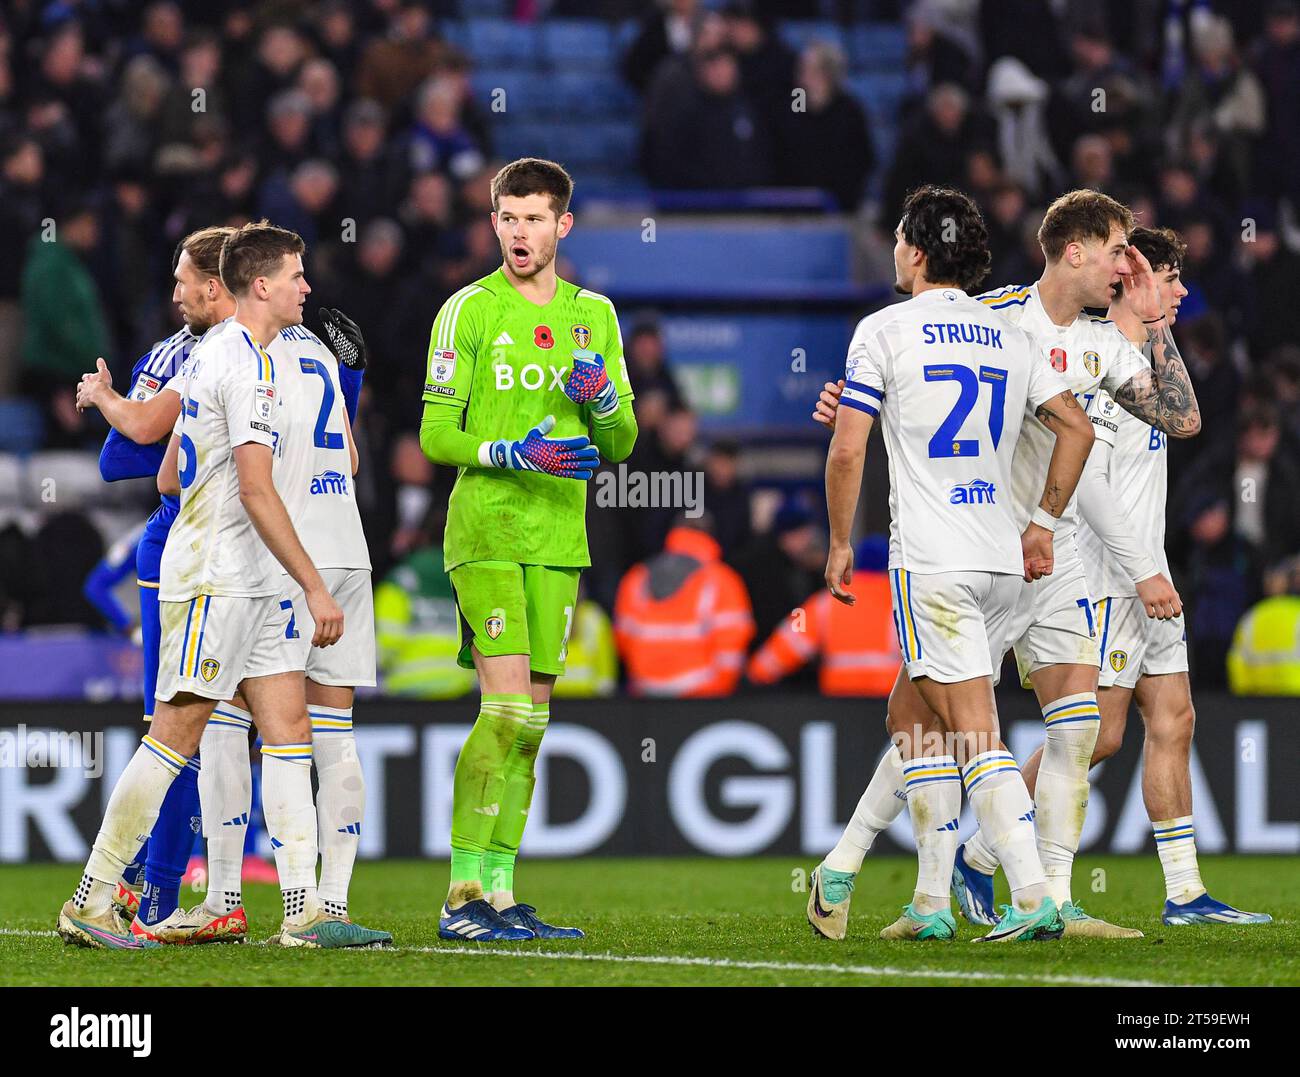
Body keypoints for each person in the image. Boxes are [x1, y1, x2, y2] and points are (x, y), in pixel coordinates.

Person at [811, 189, 1203, 941]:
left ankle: (1045, 890)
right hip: (995, 540)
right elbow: (926, 382)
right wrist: (857, 401)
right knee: (931, 717)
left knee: (1076, 725)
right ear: (1077, 249)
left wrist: (1154, 323)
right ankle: (926, 889)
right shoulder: (997, 319)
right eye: (1120, 248)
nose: (1129, 263)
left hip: (1039, 553)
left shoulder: (1105, 344)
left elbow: (1182, 418)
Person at [77, 225, 386, 946]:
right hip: (219, 578)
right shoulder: (240, 362)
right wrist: (315, 585)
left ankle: (304, 911)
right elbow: (252, 488)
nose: (308, 286)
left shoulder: (244, 354)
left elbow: (167, 473)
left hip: (259, 580)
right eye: (296, 275)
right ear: (259, 286)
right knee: (173, 739)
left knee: (288, 733)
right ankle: (92, 896)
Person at [419, 158, 637, 942]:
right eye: (507, 218)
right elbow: (436, 434)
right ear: (494, 223)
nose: (519, 232)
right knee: (506, 708)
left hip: (558, 537)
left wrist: (601, 397)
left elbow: (621, 442)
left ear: (562, 226)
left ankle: (503, 893)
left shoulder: (596, 318)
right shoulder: (467, 311)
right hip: (485, 530)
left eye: (534, 218)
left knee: (534, 724)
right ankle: (460, 893)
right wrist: (513, 452)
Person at [1068, 226, 1270, 925]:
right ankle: (981, 850)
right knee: (1098, 736)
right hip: (1107, 577)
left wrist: (1155, 323)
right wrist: (1141, 571)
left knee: (1176, 718)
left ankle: (1184, 892)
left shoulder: (1144, 357)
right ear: (1130, 275)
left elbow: (1187, 420)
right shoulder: (1095, 358)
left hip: (1150, 576)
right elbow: (1086, 485)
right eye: (1169, 276)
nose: (1183, 289)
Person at [614, 514, 754, 697]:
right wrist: (721, 690)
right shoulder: (721, 580)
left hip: (646, 689)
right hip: (702, 692)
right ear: (711, 537)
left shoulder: (638, 576)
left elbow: (622, 636)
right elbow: (732, 645)